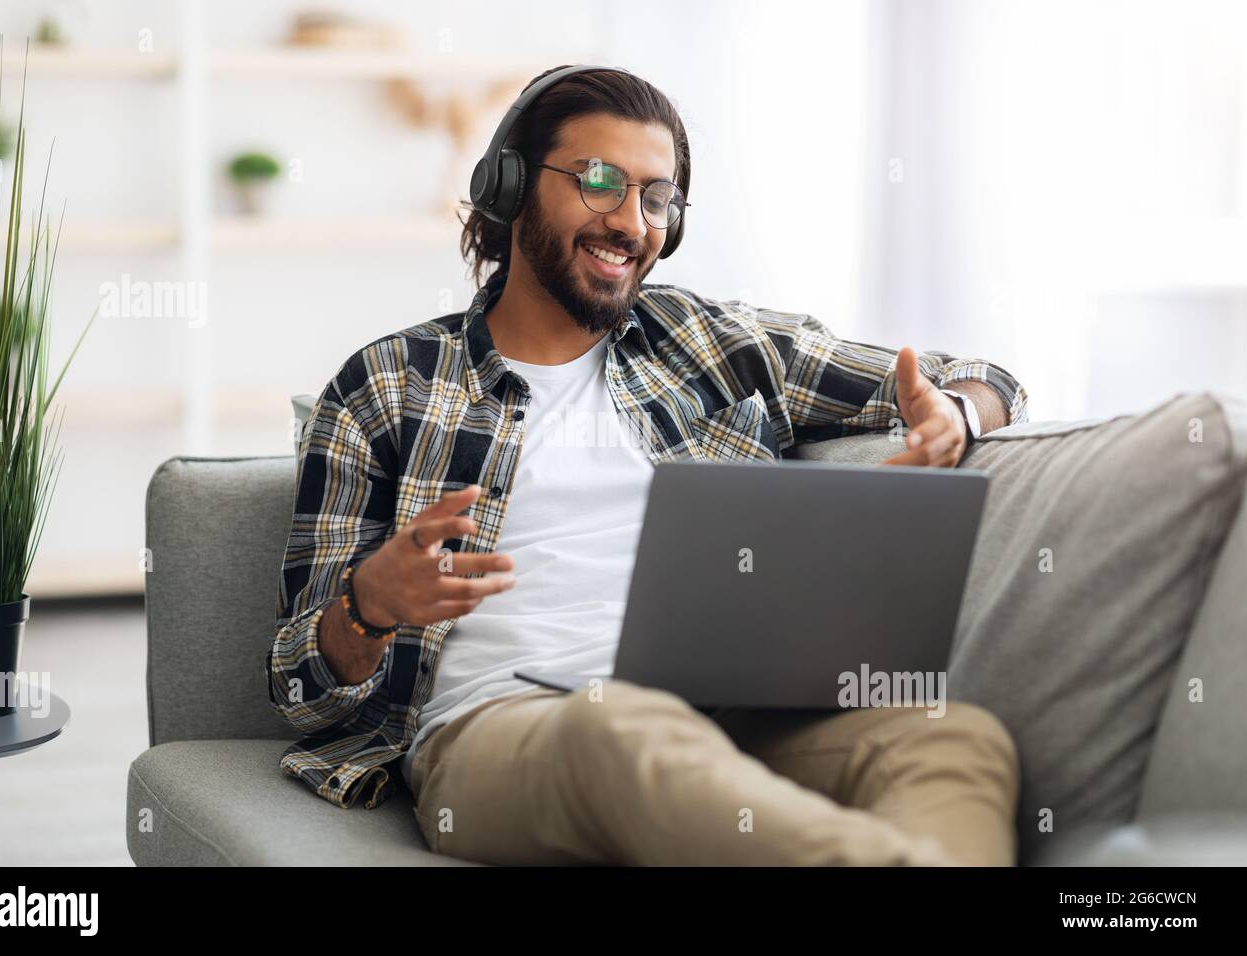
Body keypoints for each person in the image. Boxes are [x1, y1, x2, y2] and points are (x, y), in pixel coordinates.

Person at [267, 65, 1027, 866]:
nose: (631, 222)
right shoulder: (388, 385)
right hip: (508, 729)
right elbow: (300, 695)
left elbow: (983, 376)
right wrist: (372, 605)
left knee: (952, 736)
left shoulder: (706, 341)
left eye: (656, 198)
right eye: (599, 183)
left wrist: (957, 413)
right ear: (511, 186)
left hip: (732, 713)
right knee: (618, 727)